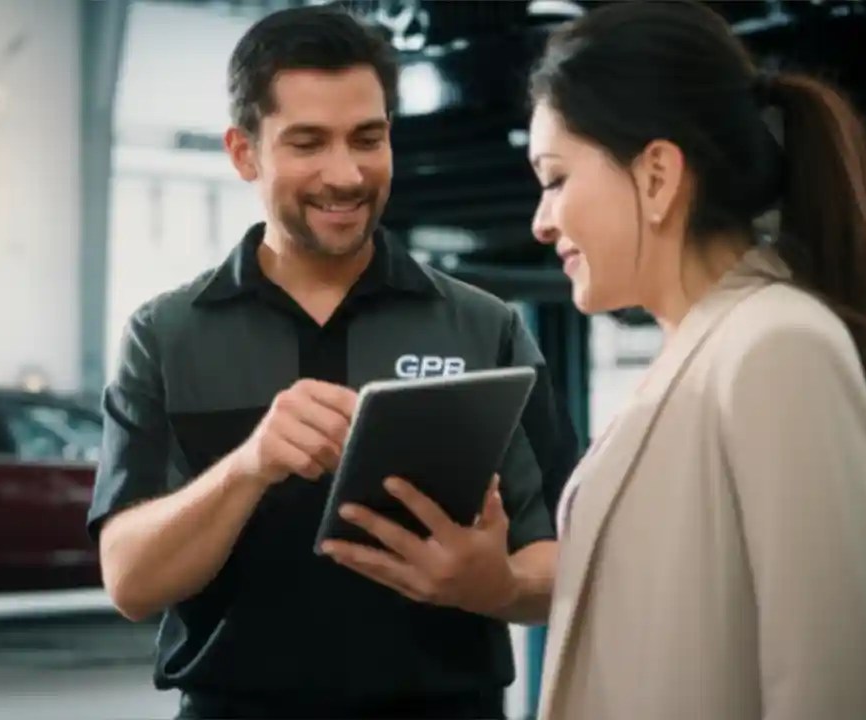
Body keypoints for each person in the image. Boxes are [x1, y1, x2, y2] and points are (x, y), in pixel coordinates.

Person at [86, 5, 577, 719]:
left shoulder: (484, 327)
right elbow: (129, 581)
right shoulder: (167, 336)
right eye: (308, 143)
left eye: (368, 139)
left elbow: (565, 559)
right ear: (244, 152)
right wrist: (247, 467)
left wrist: (495, 584)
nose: (345, 175)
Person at [524, 2, 866, 718]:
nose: (541, 220)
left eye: (555, 178)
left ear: (657, 177)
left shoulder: (778, 347)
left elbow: (828, 693)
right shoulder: (708, 348)